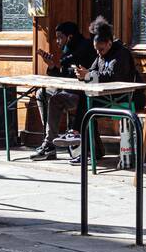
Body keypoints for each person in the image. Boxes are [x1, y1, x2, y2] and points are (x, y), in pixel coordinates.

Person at [31, 21, 98, 160]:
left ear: (70, 37)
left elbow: (76, 69)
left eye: (60, 37)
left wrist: (62, 63)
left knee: (56, 99)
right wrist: (51, 67)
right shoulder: (67, 49)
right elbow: (64, 76)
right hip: (67, 90)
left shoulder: (85, 47)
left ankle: (49, 144)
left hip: (82, 95)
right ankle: (52, 136)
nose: (57, 41)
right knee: (41, 93)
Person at [75, 17, 136, 84]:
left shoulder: (121, 53)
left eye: (101, 49)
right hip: (107, 92)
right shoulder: (101, 55)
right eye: (96, 49)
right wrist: (82, 74)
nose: (98, 53)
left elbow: (112, 76)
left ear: (109, 44)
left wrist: (88, 75)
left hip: (126, 93)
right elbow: (93, 70)